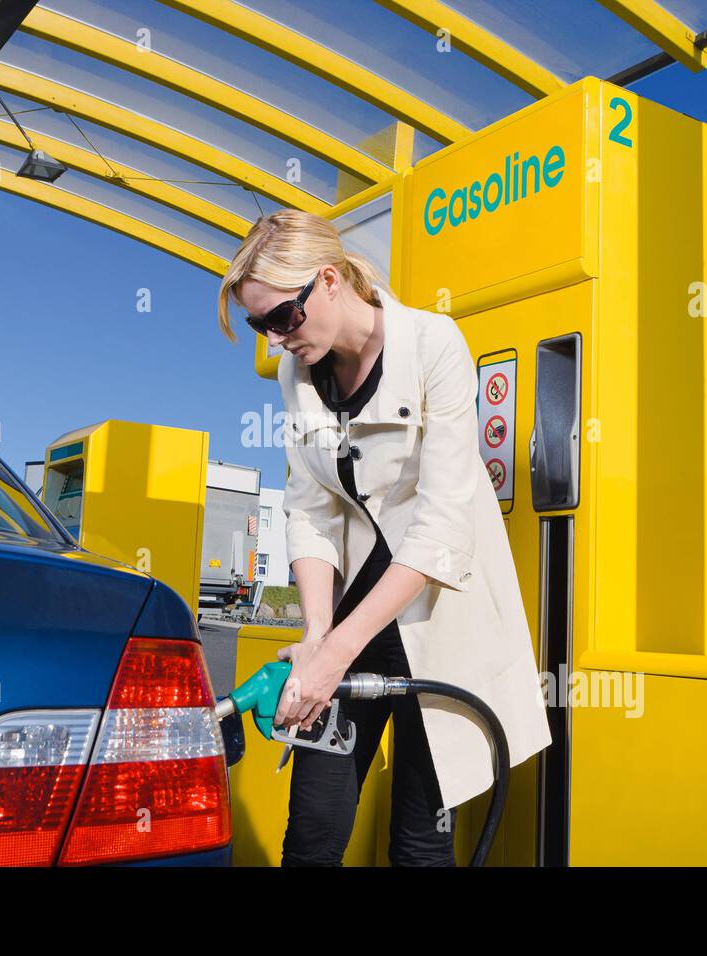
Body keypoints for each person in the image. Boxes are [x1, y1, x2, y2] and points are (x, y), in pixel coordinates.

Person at [216, 209, 551, 866]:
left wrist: (336, 650)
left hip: (435, 614)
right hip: (352, 611)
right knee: (312, 827)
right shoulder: (299, 374)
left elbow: (441, 526)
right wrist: (316, 637)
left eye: (282, 317)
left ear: (330, 281)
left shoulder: (433, 344)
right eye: (261, 326)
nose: (277, 340)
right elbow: (310, 508)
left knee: (419, 843)